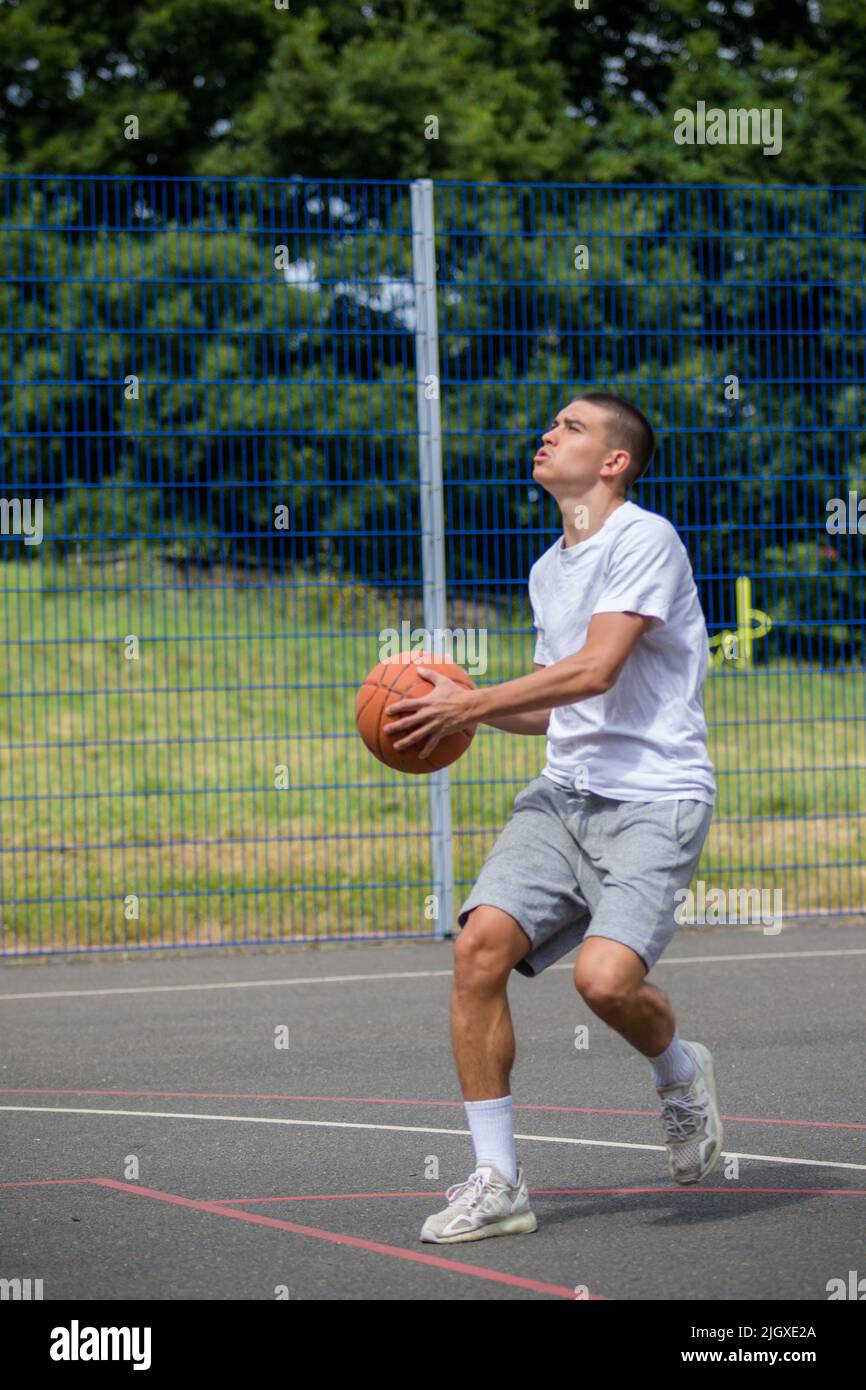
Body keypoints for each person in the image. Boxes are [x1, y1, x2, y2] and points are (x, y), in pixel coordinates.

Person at [384, 393, 720, 1244]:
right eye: (551, 424)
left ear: (614, 462)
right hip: (563, 796)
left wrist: (473, 698)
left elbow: (598, 669)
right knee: (477, 948)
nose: (548, 433)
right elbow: (552, 710)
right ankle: (499, 1181)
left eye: (572, 427)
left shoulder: (645, 538)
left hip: (655, 798)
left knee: (603, 983)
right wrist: (452, 710)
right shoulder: (547, 568)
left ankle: (680, 1075)